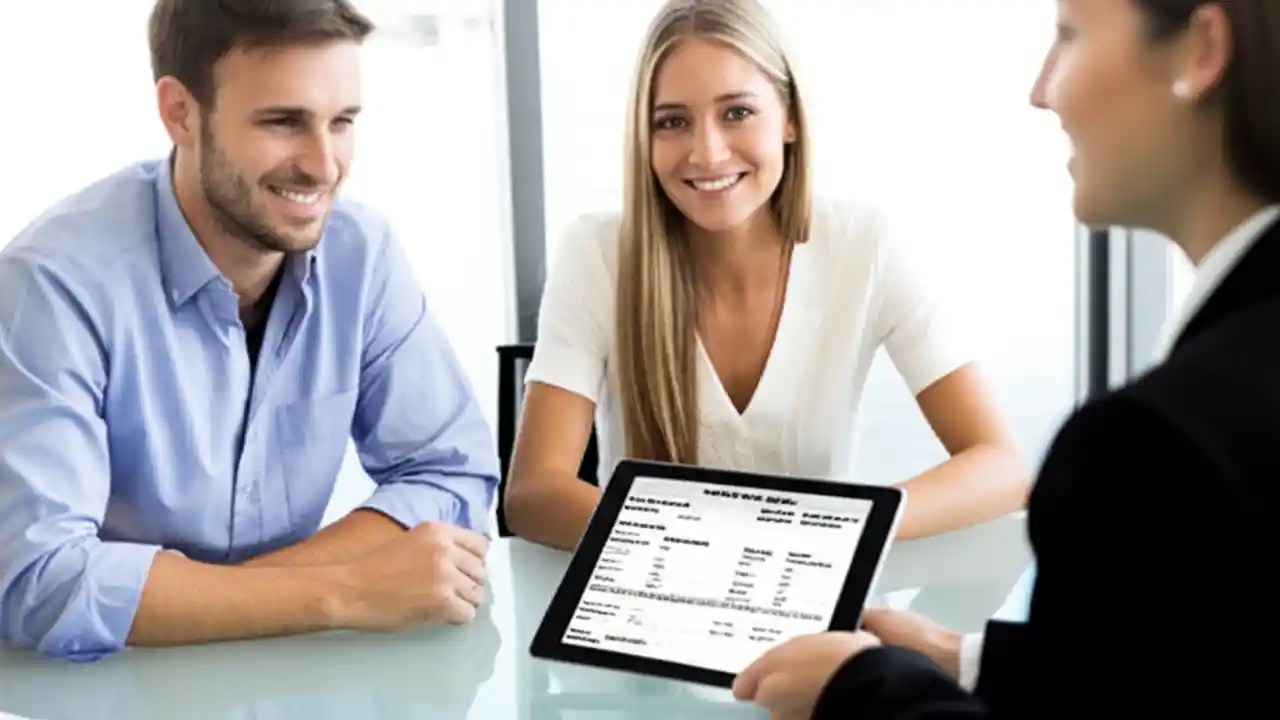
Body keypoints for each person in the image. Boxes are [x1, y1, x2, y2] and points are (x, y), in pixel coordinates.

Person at [732, 0, 1280, 716]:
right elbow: (1198, 668)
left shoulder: (1154, 443)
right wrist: (962, 660)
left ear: (1200, 50)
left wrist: (859, 690)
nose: (1041, 89)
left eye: (1069, 36)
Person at [0, 0, 498, 662]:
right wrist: (345, 592)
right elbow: (41, 583)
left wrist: (232, 598)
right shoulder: (53, 284)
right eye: (284, 122)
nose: (323, 166)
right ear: (180, 112)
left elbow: (452, 475)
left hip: (281, 676)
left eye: (342, 122)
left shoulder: (362, 254)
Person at [503, 0, 1030, 551]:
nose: (706, 152)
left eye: (737, 113)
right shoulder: (598, 251)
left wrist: (838, 528)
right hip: (649, 594)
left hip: (810, 597)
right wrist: (726, 545)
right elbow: (535, 492)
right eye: (673, 121)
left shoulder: (864, 244)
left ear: (790, 118)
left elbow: (1000, 465)